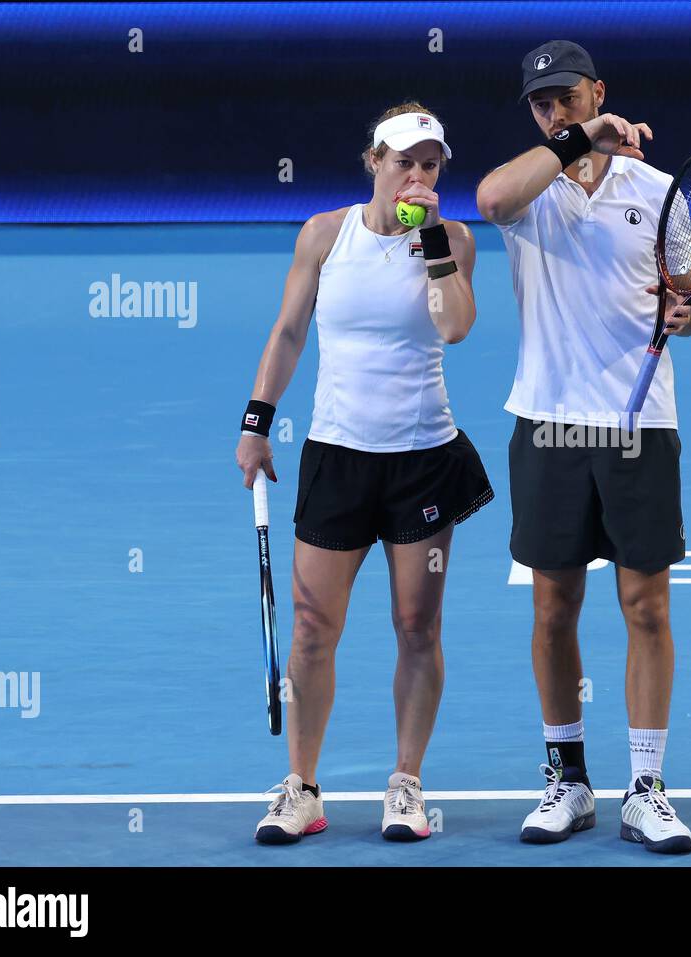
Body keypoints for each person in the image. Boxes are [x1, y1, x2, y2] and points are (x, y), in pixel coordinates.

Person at [238, 103, 492, 844]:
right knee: (314, 626)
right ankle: (303, 787)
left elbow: (455, 325)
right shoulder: (324, 235)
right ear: (374, 161)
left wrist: (433, 247)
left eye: (431, 164)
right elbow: (288, 333)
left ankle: (406, 784)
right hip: (337, 458)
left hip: (423, 460)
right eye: (404, 160)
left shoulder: (455, 240)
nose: (417, 174)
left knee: (418, 626)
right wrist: (256, 422)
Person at [476, 40, 691, 854]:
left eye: (567, 98)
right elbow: (489, 195)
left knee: (647, 607)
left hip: (640, 424)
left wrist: (690, 313)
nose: (554, 112)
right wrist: (576, 142)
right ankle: (567, 780)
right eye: (541, 104)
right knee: (552, 609)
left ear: (599, 89)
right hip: (547, 422)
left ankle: (646, 787)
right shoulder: (532, 190)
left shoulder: (660, 191)